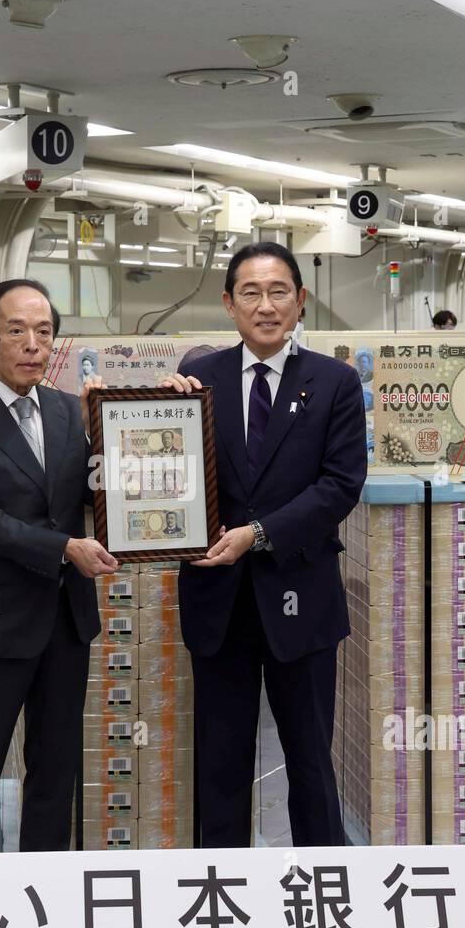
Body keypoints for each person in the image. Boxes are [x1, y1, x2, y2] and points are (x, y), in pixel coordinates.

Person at [161, 242, 366, 848]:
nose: (266, 305)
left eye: (280, 292)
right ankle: (218, 893)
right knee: (219, 764)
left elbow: (339, 486)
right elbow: (164, 484)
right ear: (229, 304)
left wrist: (260, 534)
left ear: (301, 301)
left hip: (301, 593)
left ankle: (325, 889)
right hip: (217, 601)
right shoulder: (198, 384)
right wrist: (159, 419)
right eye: (250, 293)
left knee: (310, 761)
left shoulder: (335, 382)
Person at [0, 278, 117, 853]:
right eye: (16, 331)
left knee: (55, 768)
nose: (33, 344)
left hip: (64, 619)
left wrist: (117, 430)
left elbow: (94, 495)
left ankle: (45, 887)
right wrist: (65, 549)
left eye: (44, 331)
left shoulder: (69, 412)